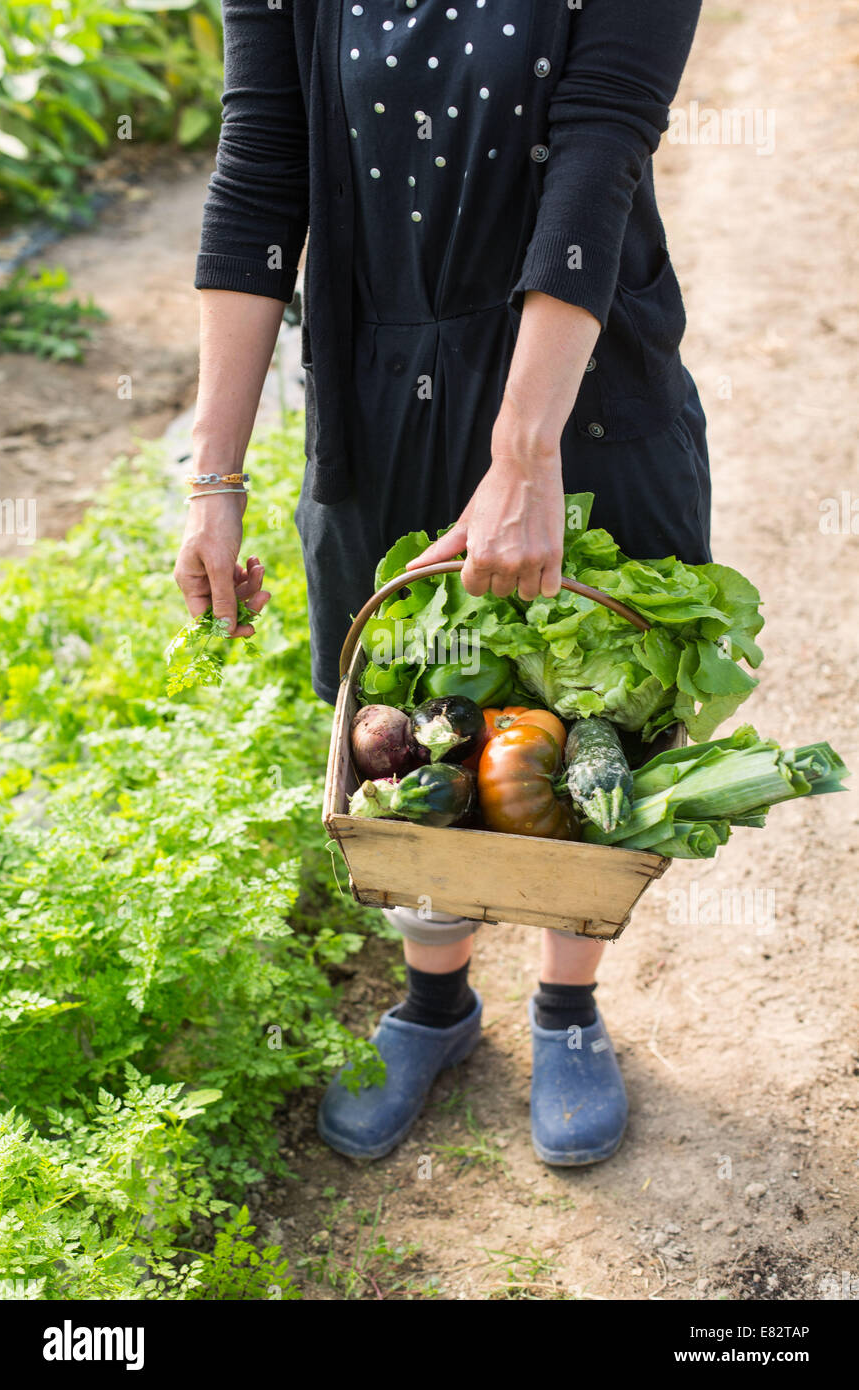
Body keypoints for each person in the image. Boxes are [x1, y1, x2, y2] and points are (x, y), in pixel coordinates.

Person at [174, 0, 710, 1167]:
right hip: (378, 374)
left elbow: (598, 146)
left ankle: (566, 1007)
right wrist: (212, 480)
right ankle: (435, 1002)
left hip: (580, 380)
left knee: (593, 713)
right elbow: (262, 165)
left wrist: (522, 456)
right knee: (405, 727)